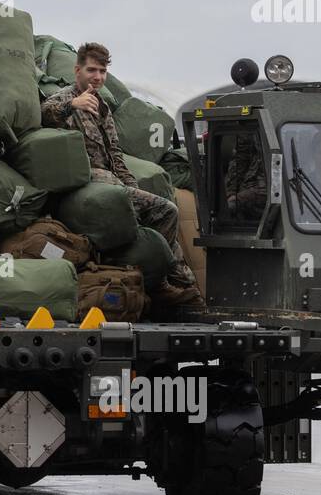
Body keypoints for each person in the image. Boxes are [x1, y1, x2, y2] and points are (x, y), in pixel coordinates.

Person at [40, 42, 203, 308]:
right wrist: (73, 105)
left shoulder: (103, 107)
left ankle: (176, 283)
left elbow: (115, 154)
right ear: (77, 70)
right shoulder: (65, 98)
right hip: (87, 184)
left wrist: (132, 187)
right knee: (169, 210)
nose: (98, 77)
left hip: (111, 183)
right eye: (92, 70)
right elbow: (43, 116)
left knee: (155, 210)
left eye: (102, 72)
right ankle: (165, 282)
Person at [225, 132, 267, 220]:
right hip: (247, 190)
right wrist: (232, 192)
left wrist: (240, 198)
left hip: (264, 198)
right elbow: (240, 158)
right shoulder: (248, 131)